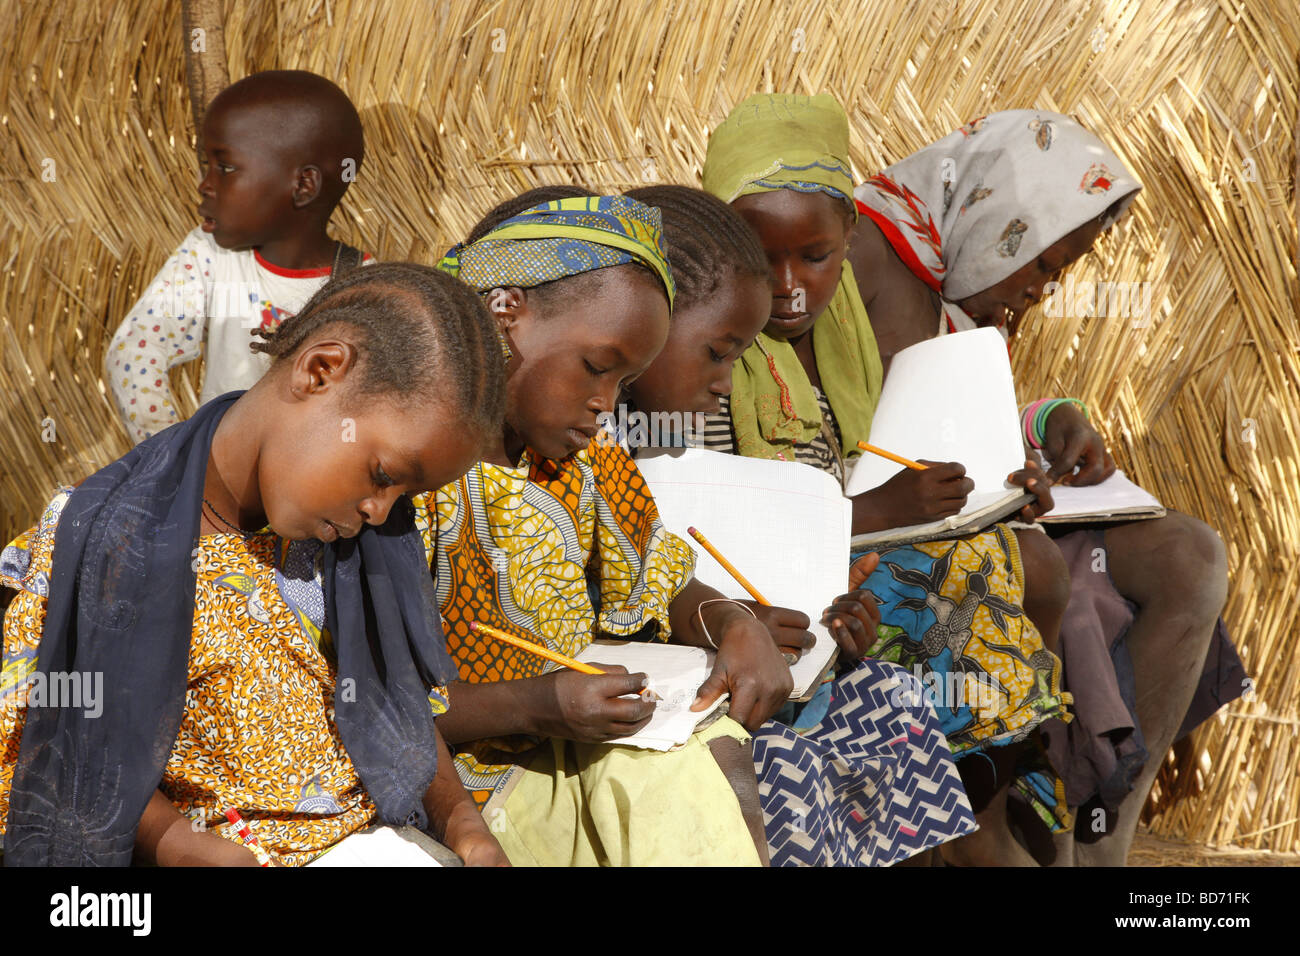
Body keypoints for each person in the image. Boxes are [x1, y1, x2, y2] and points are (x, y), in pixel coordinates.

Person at [1, 263, 509, 866]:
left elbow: (396, 705)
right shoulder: (110, 538)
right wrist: (173, 842)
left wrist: (462, 822)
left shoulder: (354, 545)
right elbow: (48, 736)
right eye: (381, 476)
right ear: (320, 371)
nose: (379, 511)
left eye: (403, 496)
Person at [851, 109, 1237, 864]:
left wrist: (1045, 423)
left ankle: (1106, 839)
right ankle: (1030, 828)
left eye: (1057, 273)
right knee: (1036, 571)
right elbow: (858, 435)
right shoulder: (857, 260)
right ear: (997, 221)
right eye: (1041, 266)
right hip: (901, 533)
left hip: (982, 513)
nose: (1041, 293)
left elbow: (957, 413)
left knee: (1190, 555)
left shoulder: (951, 288)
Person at [699, 93, 1071, 865]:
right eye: (762, 259)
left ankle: (979, 805)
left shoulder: (848, 330)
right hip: (775, 575)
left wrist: (994, 479)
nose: (790, 286)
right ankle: (963, 826)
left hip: (861, 538)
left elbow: (890, 446)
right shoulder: (711, 349)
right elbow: (718, 519)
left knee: (1011, 554)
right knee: (954, 589)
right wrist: (868, 510)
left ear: (850, 239)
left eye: (815, 257)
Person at [416, 194, 833, 866]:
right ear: (506, 312)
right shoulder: (416, 477)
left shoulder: (583, 456)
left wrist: (732, 624)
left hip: (569, 738)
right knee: (684, 778)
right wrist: (535, 705)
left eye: (626, 380)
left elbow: (658, 576)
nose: (606, 404)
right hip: (469, 777)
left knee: (717, 759)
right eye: (596, 367)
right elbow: (377, 701)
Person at [621, 183, 977, 866]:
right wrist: (731, 619)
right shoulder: (609, 450)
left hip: (752, 661)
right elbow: (624, 593)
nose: (729, 381)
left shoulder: (655, 430)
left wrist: (828, 617)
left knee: (893, 702)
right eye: (718, 353)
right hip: (676, 686)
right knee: (784, 762)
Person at [106, 70, 371, 444]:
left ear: (303, 186)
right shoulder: (211, 257)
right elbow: (136, 349)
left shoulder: (364, 288)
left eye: (225, 168)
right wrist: (170, 457)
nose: (205, 185)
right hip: (214, 489)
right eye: (207, 166)